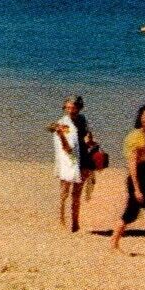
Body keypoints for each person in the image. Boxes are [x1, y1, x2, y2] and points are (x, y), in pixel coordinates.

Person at [110, 104, 145, 258]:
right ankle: (113, 243)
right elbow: (132, 164)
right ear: (140, 117)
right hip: (138, 178)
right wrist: (136, 189)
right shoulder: (135, 136)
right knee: (131, 213)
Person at [48, 94, 93, 232]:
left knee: (77, 194)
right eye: (67, 108)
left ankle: (75, 223)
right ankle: (61, 220)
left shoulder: (82, 119)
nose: (69, 110)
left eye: (72, 108)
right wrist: (61, 135)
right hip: (70, 160)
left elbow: (87, 133)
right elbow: (67, 149)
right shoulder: (63, 124)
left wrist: (89, 139)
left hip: (84, 158)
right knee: (64, 193)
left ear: (79, 108)